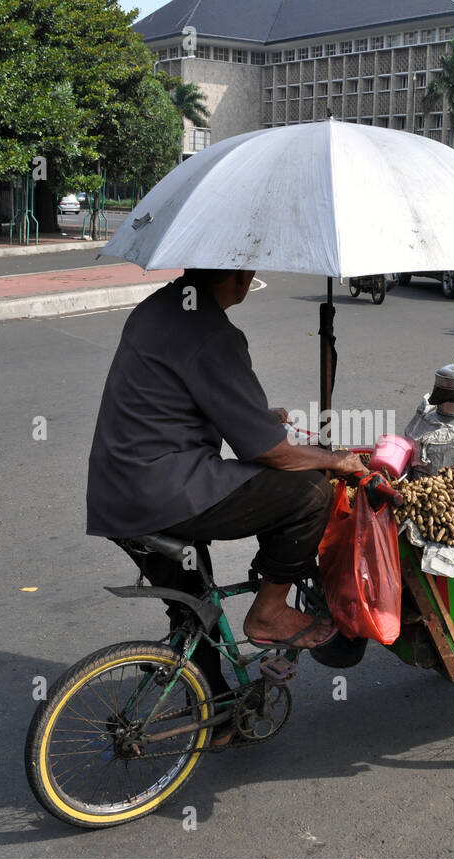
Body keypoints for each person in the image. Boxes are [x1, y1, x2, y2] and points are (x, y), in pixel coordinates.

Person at [86, 268, 366, 705]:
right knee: (311, 494)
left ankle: (214, 712)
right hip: (165, 490)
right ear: (237, 276)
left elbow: (180, 396)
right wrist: (335, 460)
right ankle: (269, 611)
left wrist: (256, 416)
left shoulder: (156, 307)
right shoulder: (213, 335)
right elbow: (272, 453)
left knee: (194, 603)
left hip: (116, 493)